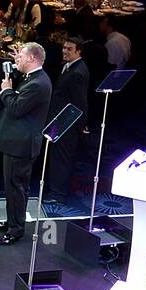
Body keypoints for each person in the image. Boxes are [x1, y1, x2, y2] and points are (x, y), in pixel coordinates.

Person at [0, 42, 53, 245]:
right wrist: (15, 71)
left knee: (16, 187)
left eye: (21, 56)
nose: (16, 59)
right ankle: (13, 222)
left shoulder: (38, 83)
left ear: (31, 58)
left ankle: (16, 230)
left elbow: (17, 108)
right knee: (13, 186)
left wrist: (5, 91)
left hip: (21, 145)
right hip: (17, 143)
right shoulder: (32, 77)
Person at [44, 37, 90, 201]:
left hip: (66, 123)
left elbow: (80, 103)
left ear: (79, 51)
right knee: (57, 156)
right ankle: (55, 189)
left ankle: (58, 194)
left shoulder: (77, 73)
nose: (64, 51)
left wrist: (80, 126)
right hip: (60, 119)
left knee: (61, 158)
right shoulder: (69, 67)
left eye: (69, 49)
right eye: (64, 48)